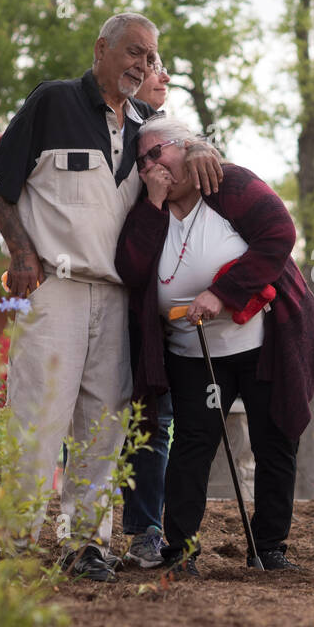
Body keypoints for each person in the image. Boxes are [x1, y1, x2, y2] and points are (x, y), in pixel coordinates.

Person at [0, 14, 220, 581]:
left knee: (103, 425)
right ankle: (9, 541)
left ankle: (85, 545)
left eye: (152, 57)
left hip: (118, 297)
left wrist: (203, 143)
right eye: (134, 52)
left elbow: (189, 144)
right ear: (101, 49)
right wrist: (20, 253)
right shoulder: (54, 101)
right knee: (37, 415)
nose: (144, 65)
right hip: (55, 286)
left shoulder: (146, 127)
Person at [115, 116, 314, 576]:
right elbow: (131, 270)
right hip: (191, 352)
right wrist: (152, 202)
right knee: (193, 444)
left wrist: (223, 293)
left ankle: (268, 546)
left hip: (260, 343)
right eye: (143, 161)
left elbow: (279, 235)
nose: (153, 166)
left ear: (188, 148)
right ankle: (180, 548)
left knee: (275, 441)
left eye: (159, 152)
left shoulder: (227, 183)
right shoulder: (145, 204)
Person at [119, 56, 178, 568]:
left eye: (163, 68)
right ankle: (78, 530)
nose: (161, 75)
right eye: (151, 64)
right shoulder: (106, 125)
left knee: (151, 421)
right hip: (97, 288)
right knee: (90, 417)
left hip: (148, 306)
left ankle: (145, 531)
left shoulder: (169, 139)